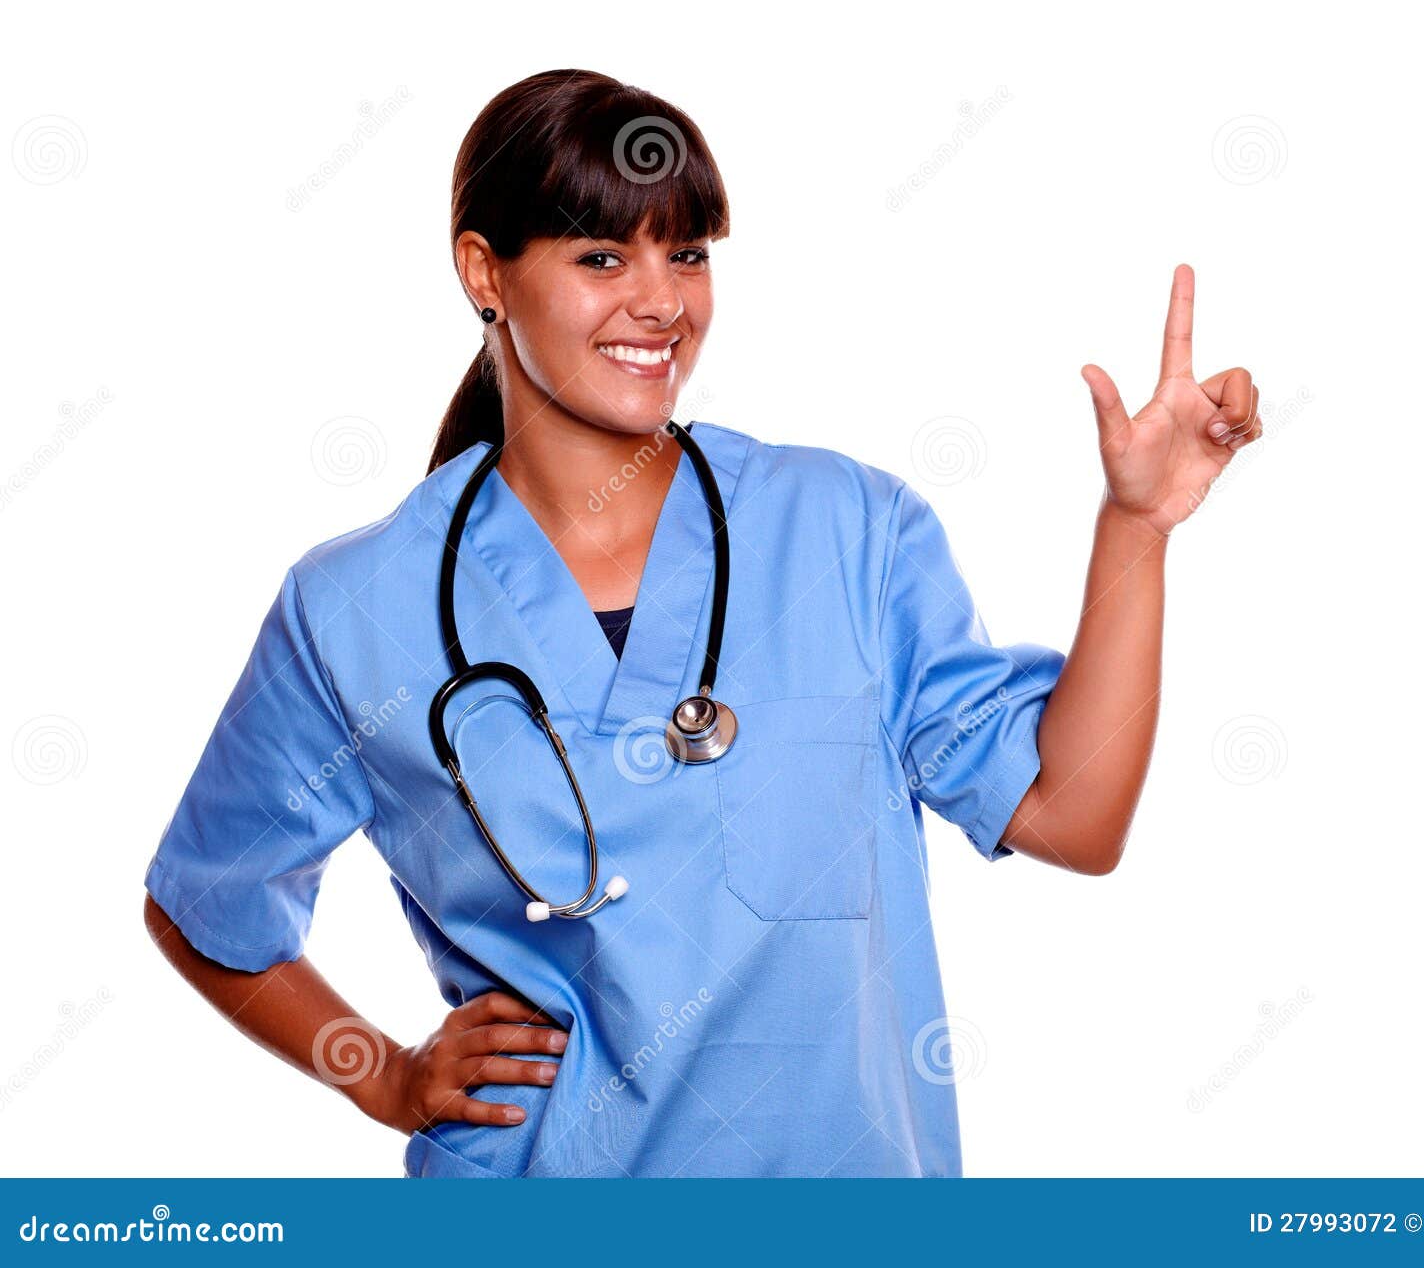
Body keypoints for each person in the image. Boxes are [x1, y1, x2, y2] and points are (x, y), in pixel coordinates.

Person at [141, 68, 1260, 1178]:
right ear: (484, 273)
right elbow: (204, 903)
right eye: (601, 258)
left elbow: (1073, 817)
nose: (662, 302)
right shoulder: (355, 606)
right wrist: (382, 1074)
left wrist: (1137, 526)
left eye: (686, 253)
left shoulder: (845, 530)